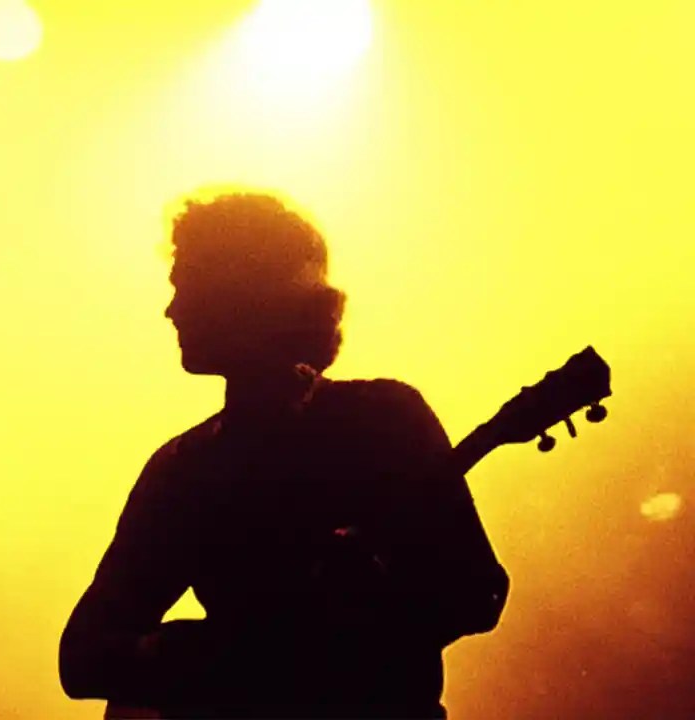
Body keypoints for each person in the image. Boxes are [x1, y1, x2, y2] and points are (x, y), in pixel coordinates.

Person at [59, 192, 510, 719]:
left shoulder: (383, 418)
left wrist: (370, 604)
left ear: (244, 294)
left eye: (189, 286)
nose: (172, 310)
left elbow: (477, 594)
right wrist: (224, 654)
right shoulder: (183, 469)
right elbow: (84, 655)